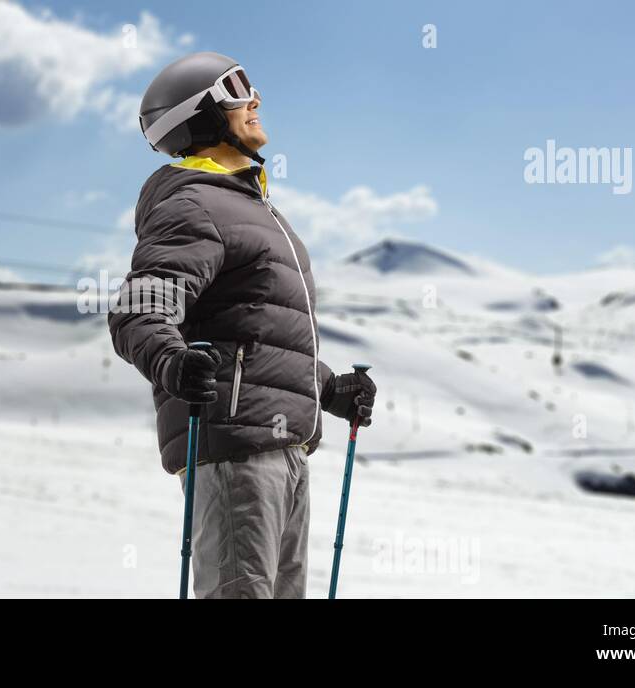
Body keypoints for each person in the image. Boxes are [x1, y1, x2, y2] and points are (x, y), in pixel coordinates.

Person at [108, 52, 376, 599]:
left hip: (286, 447)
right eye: (234, 89)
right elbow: (139, 308)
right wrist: (172, 360)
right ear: (201, 117)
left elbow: (255, 331)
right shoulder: (193, 204)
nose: (253, 99)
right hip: (236, 447)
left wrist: (329, 390)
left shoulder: (256, 210)